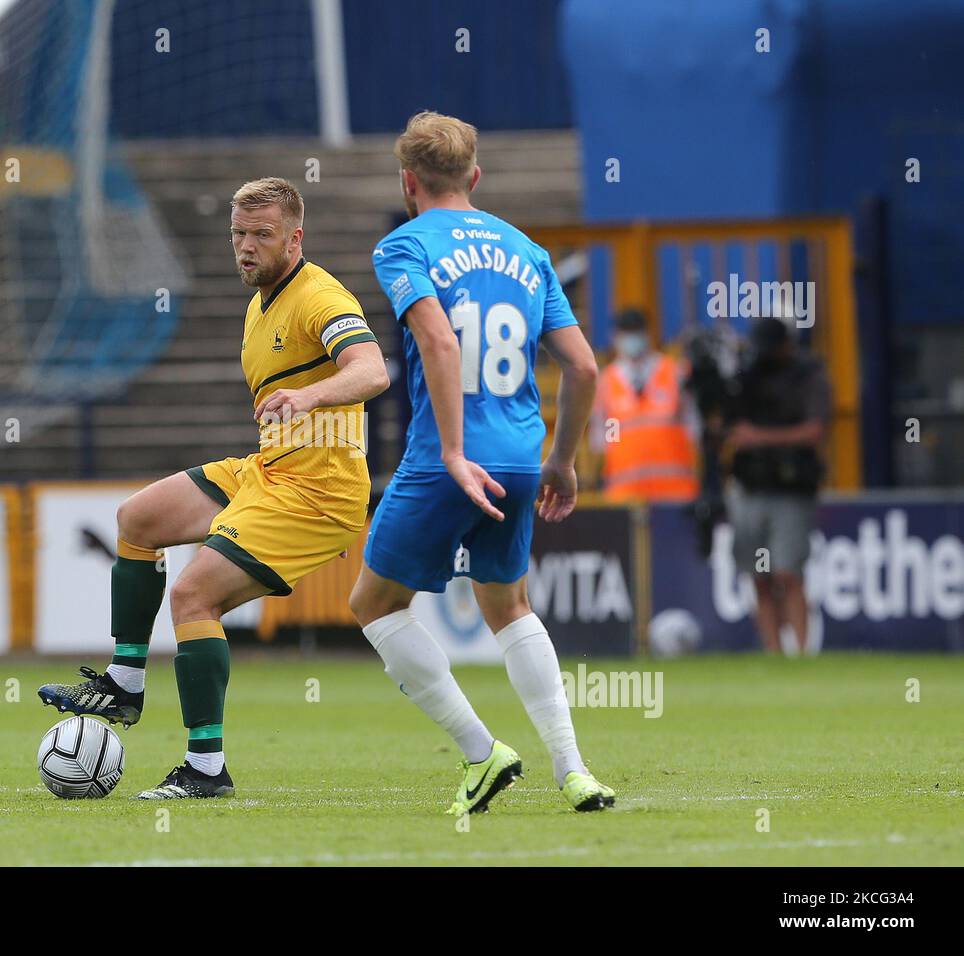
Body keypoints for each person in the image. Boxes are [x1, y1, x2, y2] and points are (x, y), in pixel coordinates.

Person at [38, 177, 389, 798]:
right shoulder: (259, 306)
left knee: (193, 596)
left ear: (295, 237)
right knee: (137, 519)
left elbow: (371, 370)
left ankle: (205, 769)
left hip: (319, 492)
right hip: (271, 470)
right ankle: (124, 682)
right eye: (238, 235)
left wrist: (308, 395)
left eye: (262, 234)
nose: (246, 246)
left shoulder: (319, 296)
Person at [348, 112, 615, 815]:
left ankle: (481, 751)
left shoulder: (403, 246)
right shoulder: (527, 251)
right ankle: (575, 770)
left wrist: (457, 453)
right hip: (522, 457)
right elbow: (584, 367)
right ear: (476, 176)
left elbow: (437, 344)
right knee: (509, 604)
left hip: (447, 459)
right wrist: (563, 461)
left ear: (409, 182)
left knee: (374, 605)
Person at [725, 316, 830, 655]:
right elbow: (724, 426)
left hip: (791, 489)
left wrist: (759, 438)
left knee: (788, 573)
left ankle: (801, 652)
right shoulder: (746, 376)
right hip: (750, 487)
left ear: (787, 345)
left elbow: (815, 431)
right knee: (760, 575)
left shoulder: (809, 375)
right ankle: (774, 652)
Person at [591, 308, 699, 501]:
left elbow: (693, 428)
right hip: (625, 494)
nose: (631, 338)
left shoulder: (674, 373)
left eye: (636, 331)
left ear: (648, 333)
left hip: (674, 492)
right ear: (615, 337)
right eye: (626, 332)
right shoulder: (607, 382)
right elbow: (607, 439)